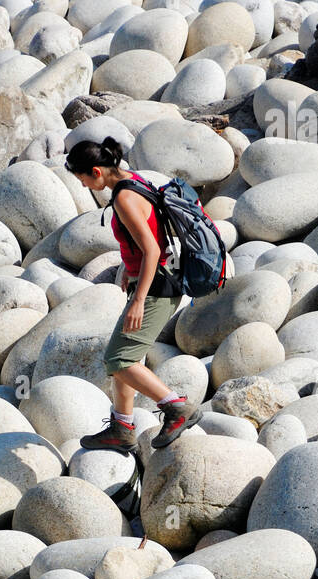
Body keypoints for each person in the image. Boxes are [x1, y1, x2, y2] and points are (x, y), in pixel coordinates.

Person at [64, 136, 201, 453]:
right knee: (123, 354)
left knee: (118, 359)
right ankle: (121, 428)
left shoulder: (124, 199)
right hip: (157, 279)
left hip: (156, 288)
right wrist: (129, 267)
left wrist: (139, 300)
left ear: (96, 172)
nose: (84, 186)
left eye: (83, 179)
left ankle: (177, 408)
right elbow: (152, 236)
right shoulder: (134, 180)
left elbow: (152, 249)